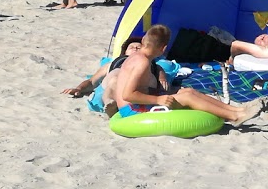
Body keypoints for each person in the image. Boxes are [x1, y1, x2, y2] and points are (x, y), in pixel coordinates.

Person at [104, 25, 259, 123]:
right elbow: (128, 95)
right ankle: (234, 117)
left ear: (144, 41)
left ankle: (236, 110)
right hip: (131, 110)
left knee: (188, 91)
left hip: (136, 104)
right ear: (163, 49)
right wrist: (158, 99)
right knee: (187, 97)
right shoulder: (142, 62)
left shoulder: (137, 57)